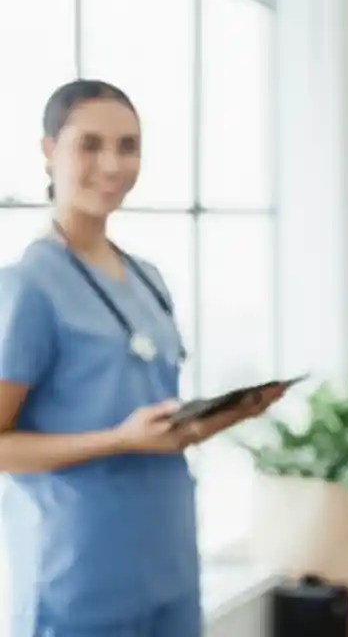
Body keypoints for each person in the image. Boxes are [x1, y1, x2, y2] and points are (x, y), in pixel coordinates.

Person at [0, 80, 287, 636]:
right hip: (77, 571)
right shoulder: (29, 286)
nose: (112, 163)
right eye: (90, 144)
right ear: (47, 150)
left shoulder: (147, 279)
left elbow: (151, 420)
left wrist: (221, 417)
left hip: (165, 558)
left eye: (128, 146)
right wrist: (118, 440)